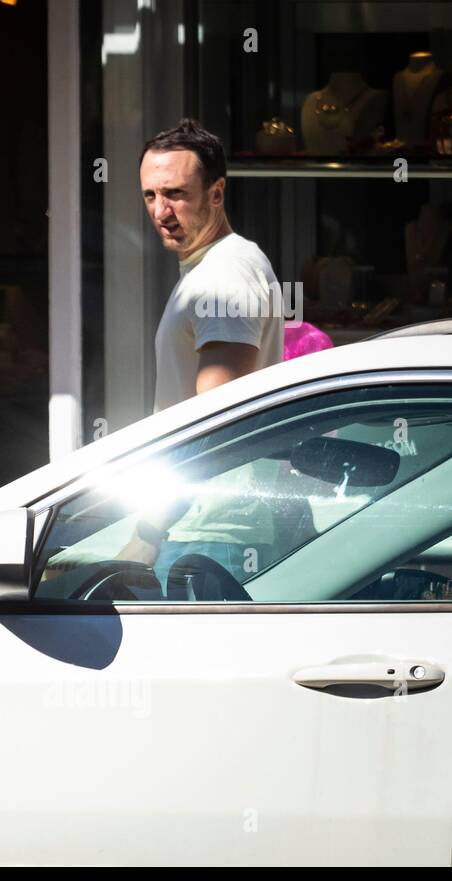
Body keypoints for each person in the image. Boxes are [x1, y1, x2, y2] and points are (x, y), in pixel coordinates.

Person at [122, 119, 286, 587]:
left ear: (217, 194)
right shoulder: (221, 265)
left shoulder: (222, 278)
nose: (161, 210)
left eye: (176, 194)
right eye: (150, 196)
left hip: (210, 531)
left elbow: (219, 422)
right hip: (209, 526)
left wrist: (149, 531)